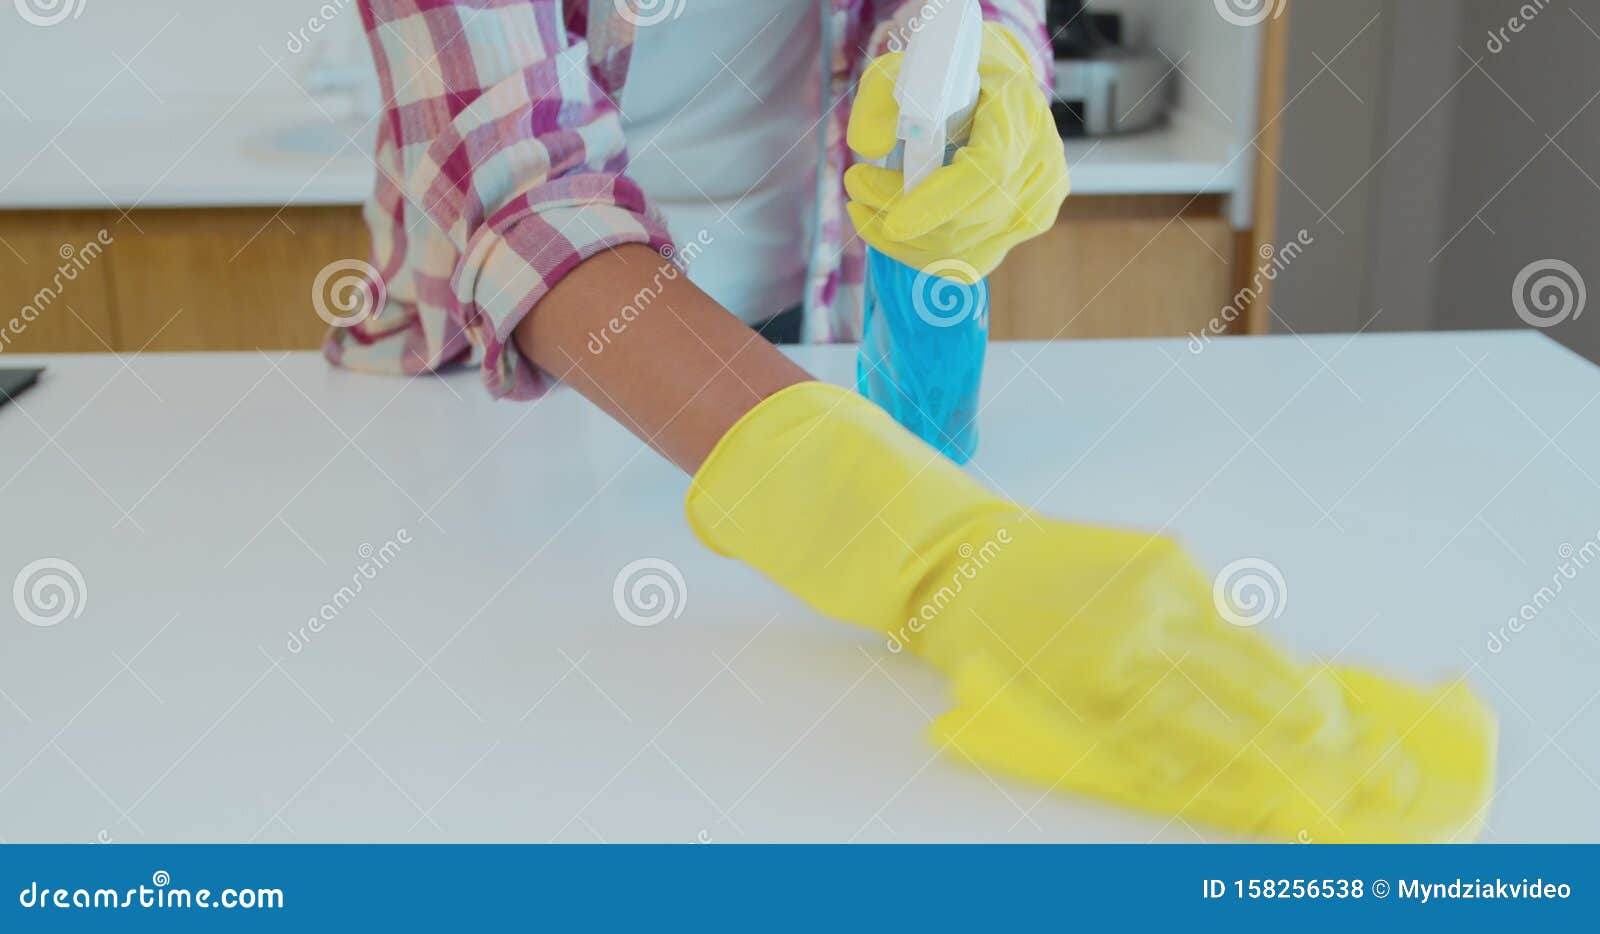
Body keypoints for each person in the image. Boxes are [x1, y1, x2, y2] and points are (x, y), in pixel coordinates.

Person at [326, 0, 1493, 842]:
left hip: (824, 326)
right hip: (502, 402)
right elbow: (525, 197)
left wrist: (982, 52)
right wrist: (918, 546)